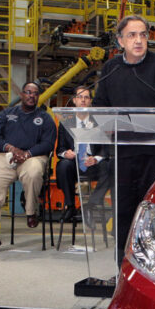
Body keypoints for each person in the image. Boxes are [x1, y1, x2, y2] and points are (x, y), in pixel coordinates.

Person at [92, 14, 155, 263]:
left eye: (143, 35)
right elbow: (100, 105)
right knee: (123, 213)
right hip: (123, 154)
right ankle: (123, 268)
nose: (138, 40)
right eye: (132, 35)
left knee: (154, 213)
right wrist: (103, 121)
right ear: (120, 41)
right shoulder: (111, 68)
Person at [0, 81, 56, 254]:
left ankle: (31, 211)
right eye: (28, 92)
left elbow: (48, 143)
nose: (31, 96)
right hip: (6, 157)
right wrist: (10, 148)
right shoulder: (7, 114)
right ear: (21, 95)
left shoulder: (45, 118)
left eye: (35, 93)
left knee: (34, 172)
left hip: (33, 157)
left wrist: (28, 153)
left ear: (38, 97)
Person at [55, 85, 112, 222]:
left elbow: (106, 148)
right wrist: (66, 153)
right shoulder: (65, 123)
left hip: (93, 164)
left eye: (86, 97)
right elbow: (60, 150)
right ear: (74, 100)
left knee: (110, 166)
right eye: (80, 97)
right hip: (73, 163)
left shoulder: (99, 123)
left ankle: (91, 205)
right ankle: (70, 206)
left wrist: (96, 158)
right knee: (63, 165)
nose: (83, 100)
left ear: (90, 101)